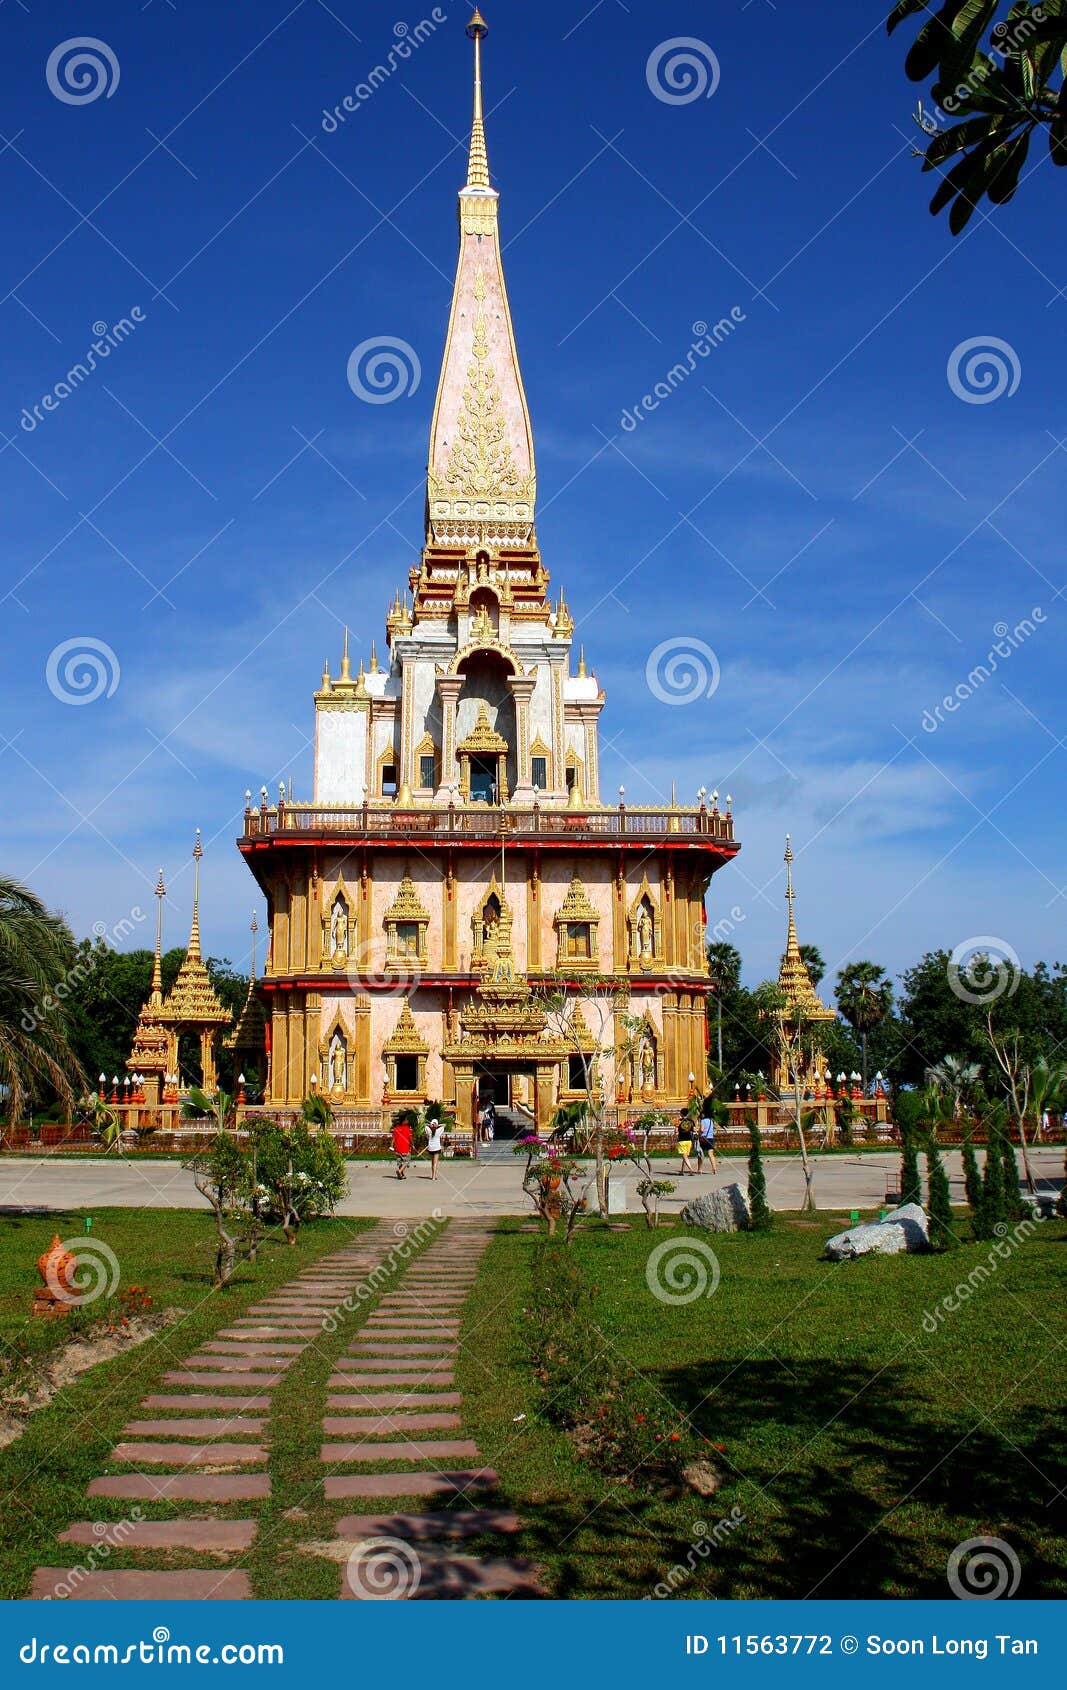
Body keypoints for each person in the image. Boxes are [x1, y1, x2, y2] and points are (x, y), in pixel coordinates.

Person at [392, 1116, 413, 1180]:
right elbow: (410, 1138)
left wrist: (391, 1146)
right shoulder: (407, 1128)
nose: (407, 1121)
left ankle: (401, 1175)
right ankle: (400, 1171)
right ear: (403, 1121)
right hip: (405, 1148)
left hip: (397, 1149)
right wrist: (412, 1144)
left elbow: (394, 1138)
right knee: (406, 1161)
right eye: (406, 1120)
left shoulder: (396, 1128)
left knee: (400, 1162)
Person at [698, 1107, 718, 1174]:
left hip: (703, 1139)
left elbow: (702, 1130)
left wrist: (698, 1133)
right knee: (711, 1154)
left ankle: (700, 1169)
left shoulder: (703, 1121)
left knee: (701, 1154)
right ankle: (714, 1168)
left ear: (703, 1114)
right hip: (710, 1138)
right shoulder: (711, 1121)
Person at [425, 1115, 445, 1181]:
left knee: (432, 1162)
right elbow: (444, 1125)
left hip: (430, 1148)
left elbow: (425, 1124)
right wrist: (437, 1125)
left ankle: (432, 1175)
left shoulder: (429, 1130)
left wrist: (430, 1125)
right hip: (436, 1148)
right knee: (435, 1163)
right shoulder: (438, 1131)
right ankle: (434, 1177)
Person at [676, 1110, 695, 1175]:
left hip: (682, 1140)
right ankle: (682, 1171)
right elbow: (694, 1130)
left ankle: (691, 1169)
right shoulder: (691, 1121)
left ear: (681, 1114)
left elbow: (676, 1131)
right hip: (689, 1140)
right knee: (685, 1156)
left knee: (684, 1156)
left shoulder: (679, 1121)